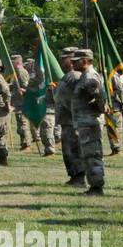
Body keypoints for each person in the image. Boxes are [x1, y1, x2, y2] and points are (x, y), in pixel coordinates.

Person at [70, 49, 106, 196]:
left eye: (76, 61)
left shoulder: (90, 77)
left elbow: (100, 97)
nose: (72, 63)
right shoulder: (85, 76)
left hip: (90, 122)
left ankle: (96, 187)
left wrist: (98, 111)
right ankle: (94, 186)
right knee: (88, 155)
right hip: (85, 121)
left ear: (85, 61)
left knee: (92, 155)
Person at [55, 47, 83, 186]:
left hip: (73, 120)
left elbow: (79, 97)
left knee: (75, 150)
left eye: (64, 58)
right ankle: (74, 176)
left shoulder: (75, 76)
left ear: (72, 59)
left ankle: (79, 177)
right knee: (68, 150)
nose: (61, 61)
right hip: (66, 120)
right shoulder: (67, 76)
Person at [10, 55, 33, 152]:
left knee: (23, 124)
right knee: (20, 125)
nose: (11, 63)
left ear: (18, 62)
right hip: (18, 102)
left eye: (13, 61)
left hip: (22, 102)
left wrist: (23, 90)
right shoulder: (16, 72)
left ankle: (27, 145)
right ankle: (23, 143)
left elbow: (27, 87)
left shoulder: (21, 72)